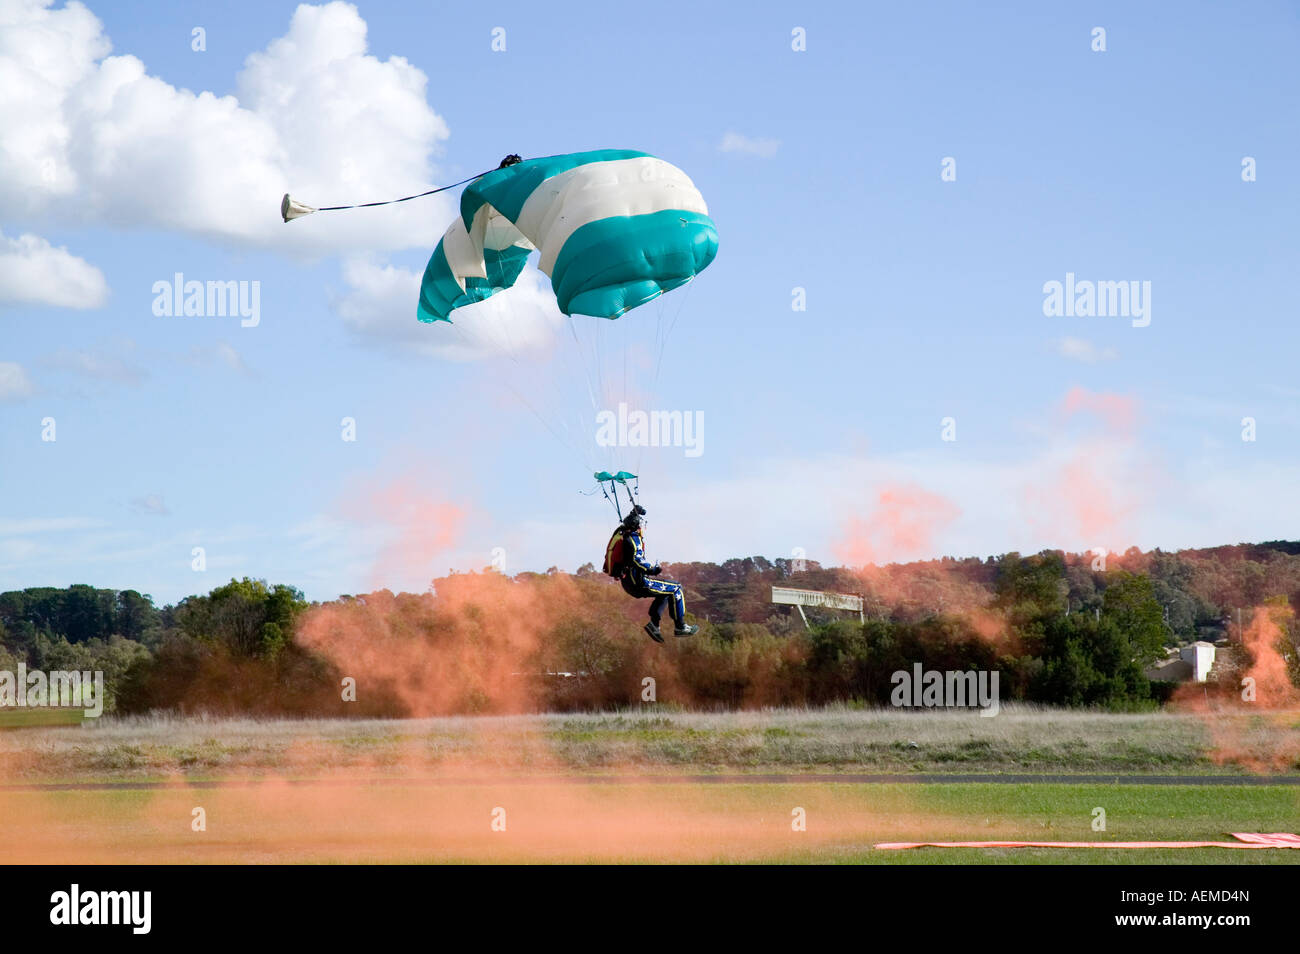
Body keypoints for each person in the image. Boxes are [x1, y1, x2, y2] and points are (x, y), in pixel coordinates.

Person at [604, 505, 698, 643]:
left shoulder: (622, 534)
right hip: (639, 583)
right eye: (641, 524)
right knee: (676, 588)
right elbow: (638, 560)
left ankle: (654, 625)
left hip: (629, 583)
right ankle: (680, 626)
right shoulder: (634, 540)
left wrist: (634, 512)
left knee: (665, 592)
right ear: (637, 526)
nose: (642, 527)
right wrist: (653, 569)